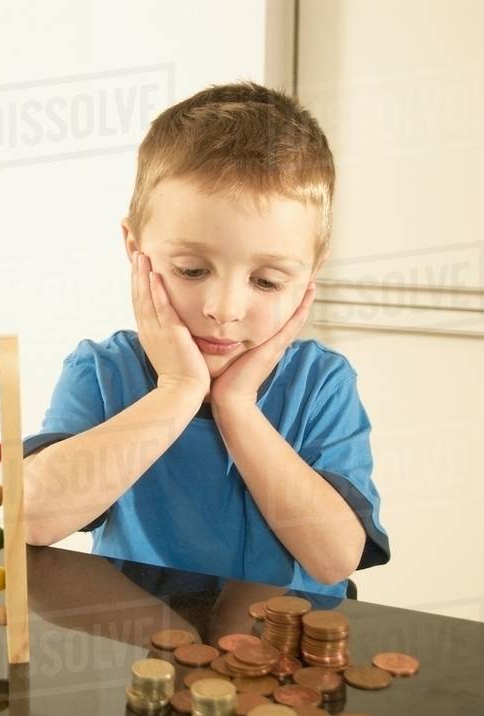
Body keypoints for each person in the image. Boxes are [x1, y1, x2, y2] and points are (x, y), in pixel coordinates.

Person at [21, 80, 390, 597]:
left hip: (285, 661)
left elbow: (333, 559)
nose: (224, 309)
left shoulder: (322, 382)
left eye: (266, 281)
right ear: (135, 248)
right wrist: (177, 388)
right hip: (145, 653)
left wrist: (237, 405)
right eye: (193, 270)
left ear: (310, 275)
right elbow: (31, 517)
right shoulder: (102, 371)